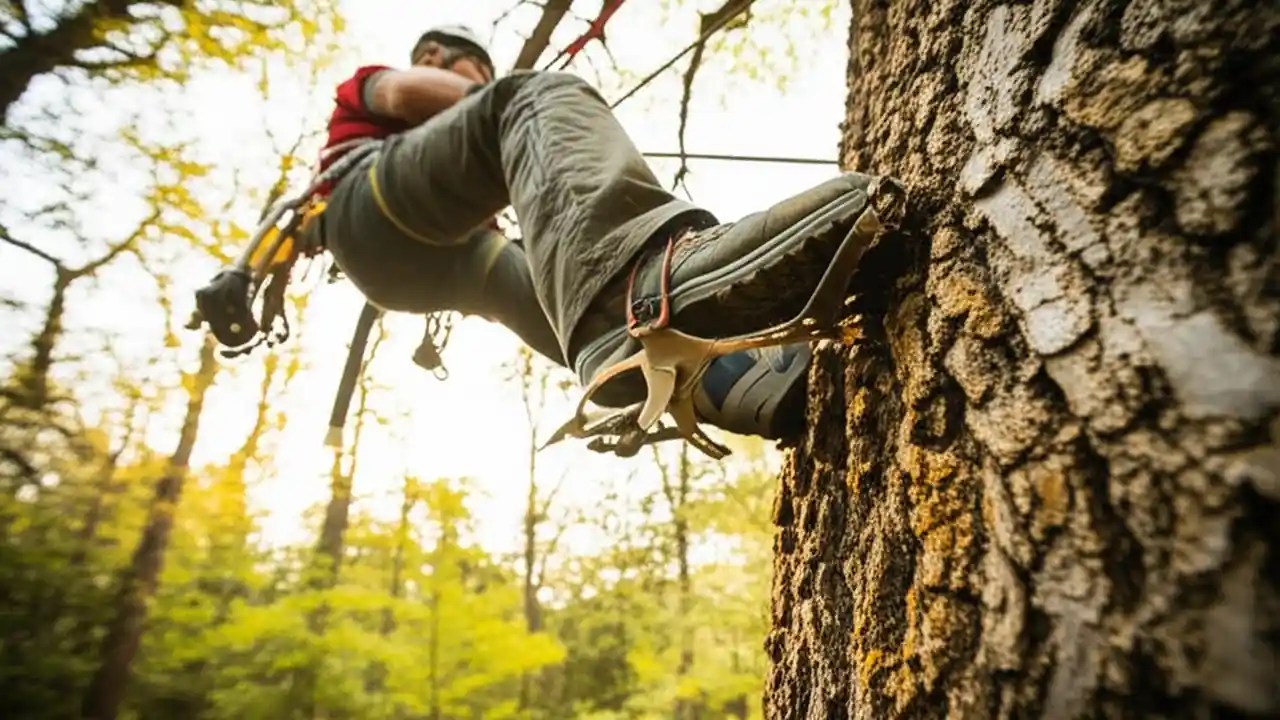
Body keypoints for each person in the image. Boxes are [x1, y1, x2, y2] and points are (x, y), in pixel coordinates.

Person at [303, 24, 904, 449]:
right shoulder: (375, 86)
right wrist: (506, 103)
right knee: (534, 95)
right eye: (474, 72)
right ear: (434, 54)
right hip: (369, 203)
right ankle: (640, 291)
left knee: (559, 297)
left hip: (415, 266)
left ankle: (705, 370)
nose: (481, 82)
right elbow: (409, 95)